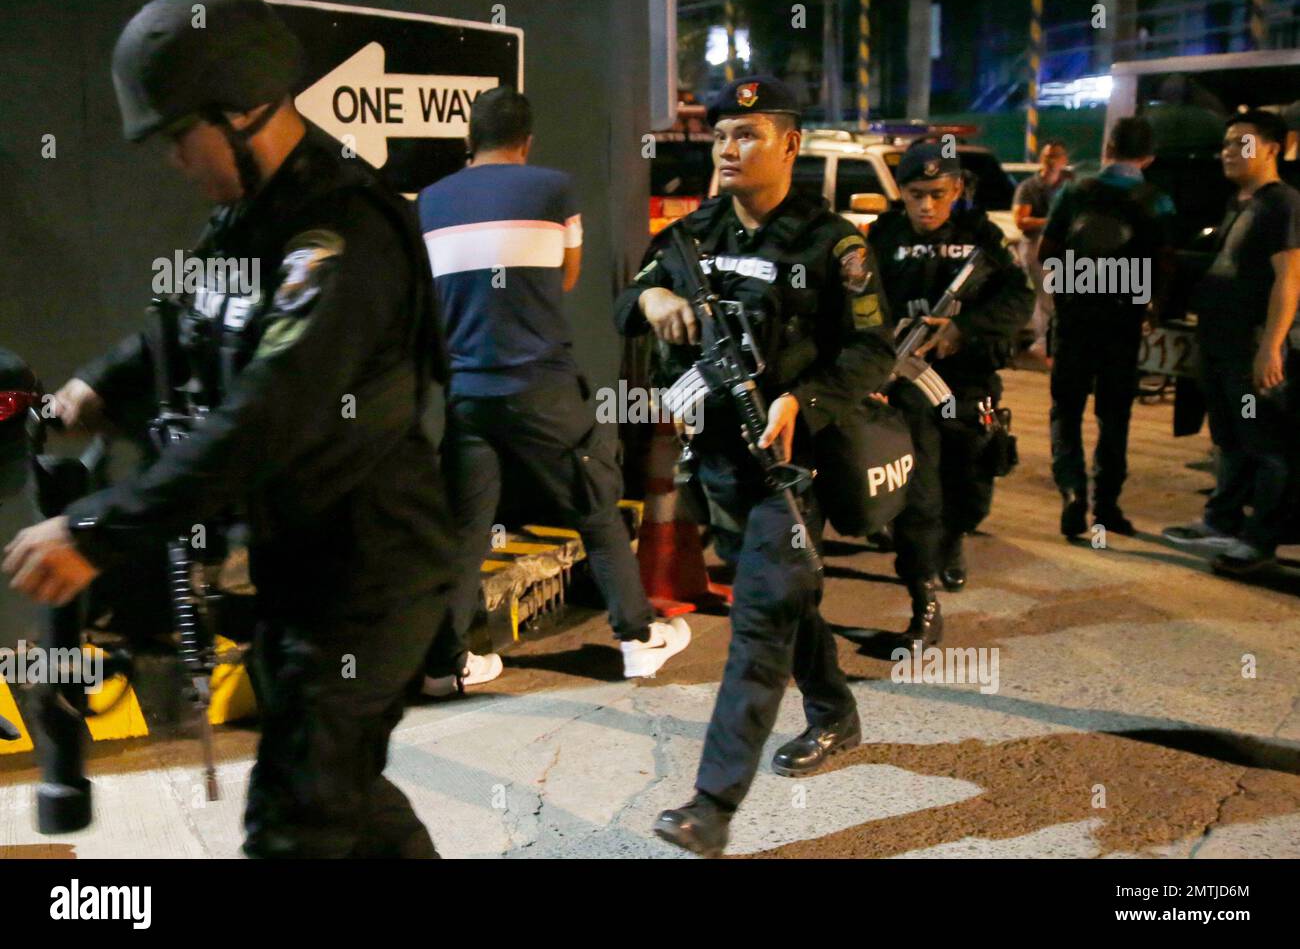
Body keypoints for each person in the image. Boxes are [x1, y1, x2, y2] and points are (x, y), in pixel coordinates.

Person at [2, 0, 457, 858]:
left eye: (180, 135)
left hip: (373, 575)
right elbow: (182, 327)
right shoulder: (248, 223)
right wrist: (96, 386)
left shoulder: (340, 238)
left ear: (246, 110)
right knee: (344, 793)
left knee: (295, 819)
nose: (174, 159)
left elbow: (264, 418)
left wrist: (97, 528)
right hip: (307, 567)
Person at [616, 75, 896, 856]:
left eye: (747, 135)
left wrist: (803, 400)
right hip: (719, 465)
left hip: (792, 465)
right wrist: (653, 306)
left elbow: (873, 348)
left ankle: (711, 803)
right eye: (722, 136)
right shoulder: (694, 232)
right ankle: (836, 711)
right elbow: (629, 295)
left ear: (790, 145)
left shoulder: (834, 243)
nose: (729, 149)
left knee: (761, 613)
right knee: (787, 599)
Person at [417, 87, 685, 690]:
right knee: (594, 505)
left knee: (465, 528)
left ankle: (444, 664)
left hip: (466, 393)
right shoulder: (553, 189)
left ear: (469, 138)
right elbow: (565, 276)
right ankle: (638, 639)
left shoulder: (429, 202)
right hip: (541, 384)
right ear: (527, 141)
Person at [869, 142, 1034, 640]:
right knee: (918, 496)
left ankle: (956, 536)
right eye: (915, 194)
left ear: (957, 189)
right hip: (906, 385)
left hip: (965, 384)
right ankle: (922, 597)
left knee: (971, 483)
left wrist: (965, 330)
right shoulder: (883, 237)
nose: (925, 205)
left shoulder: (981, 237)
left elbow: (1019, 300)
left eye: (937, 194)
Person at [1163, 110, 1300, 576]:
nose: (1227, 151)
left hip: (1251, 347)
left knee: (1262, 441)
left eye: (1240, 143)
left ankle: (1260, 541)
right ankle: (1220, 520)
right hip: (1220, 345)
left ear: (1273, 148)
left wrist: (1272, 347)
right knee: (1228, 437)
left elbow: (1289, 278)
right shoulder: (1241, 202)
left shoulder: (1283, 204)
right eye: (1224, 143)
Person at [1039, 117, 1175, 538]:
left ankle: (1072, 493)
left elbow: (1047, 252)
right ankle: (1107, 507)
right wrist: (1151, 307)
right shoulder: (1158, 201)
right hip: (1123, 320)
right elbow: (1166, 263)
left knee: (1067, 409)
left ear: (1108, 149)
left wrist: (1063, 296)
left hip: (1076, 317)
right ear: (1148, 157)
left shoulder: (1075, 191)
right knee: (1114, 415)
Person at [1013, 140, 1070, 359]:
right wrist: (1050, 221)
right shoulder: (1029, 187)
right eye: (1048, 155)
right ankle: (1044, 343)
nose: (1051, 159)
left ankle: (1053, 343)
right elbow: (1021, 220)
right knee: (1045, 297)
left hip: (1062, 247)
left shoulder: (1067, 186)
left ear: (1065, 160)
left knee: (1058, 296)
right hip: (1037, 245)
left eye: (1056, 155)